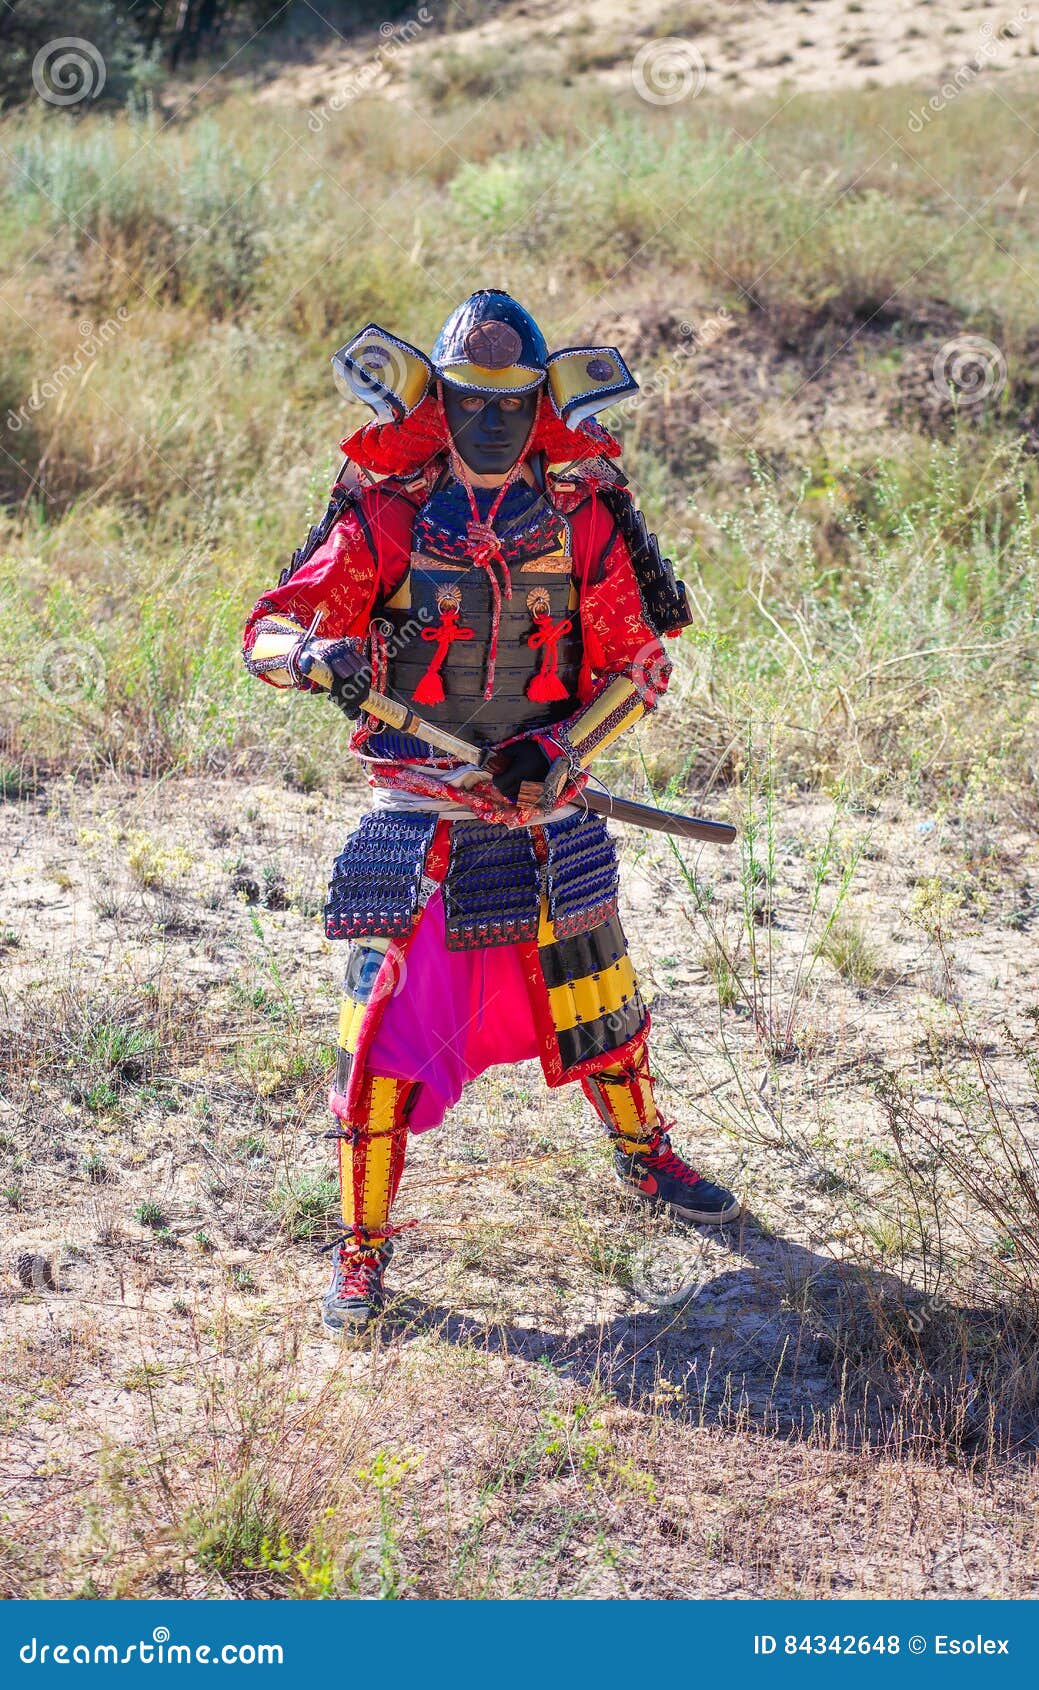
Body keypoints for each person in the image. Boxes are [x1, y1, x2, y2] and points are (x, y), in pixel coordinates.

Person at [243, 289, 740, 1332]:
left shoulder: (579, 511)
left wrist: (558, 749)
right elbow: (265, 631)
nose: (492, 424)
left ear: (542, 402)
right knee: (374, 1036)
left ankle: (647, 1157)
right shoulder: (387, 509)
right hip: (418, 809)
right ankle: (361, 1251)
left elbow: (639, 664)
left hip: (540, 809)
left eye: (513, 404)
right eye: (472, 401)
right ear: (438, 396)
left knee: (603, 1005)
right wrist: (316, 655)